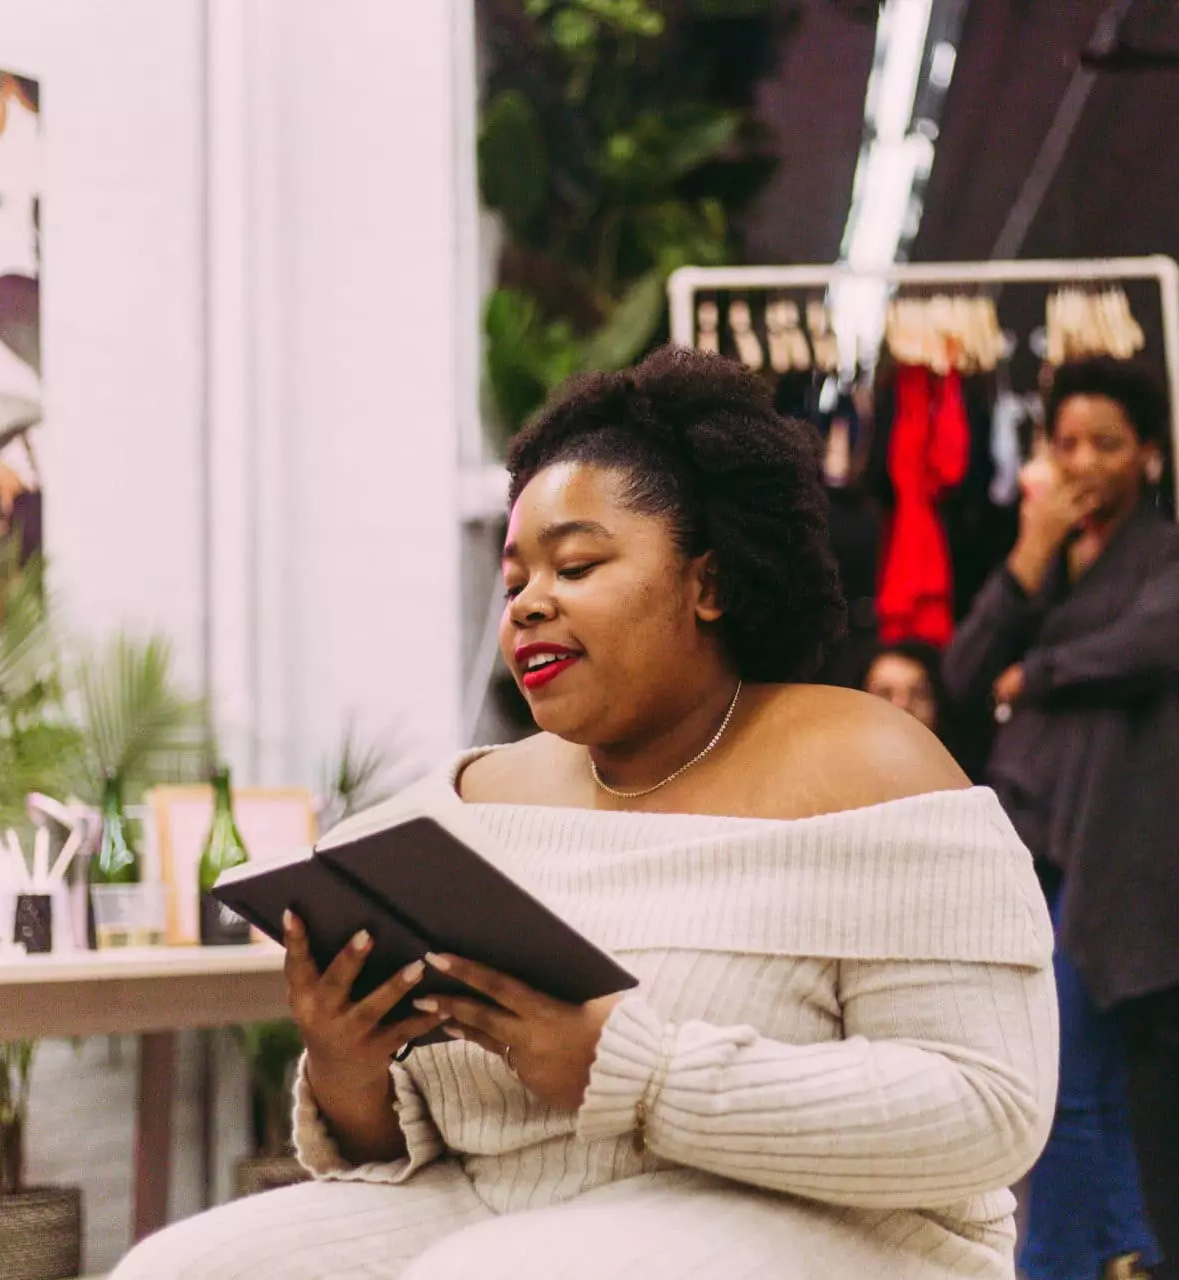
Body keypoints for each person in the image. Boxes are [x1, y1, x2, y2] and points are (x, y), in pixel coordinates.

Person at [114, 347, 1058, 1279]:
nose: (528, 606)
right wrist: (346, 1068)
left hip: (849, 1231)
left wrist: (638, 1071)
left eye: (575, 566)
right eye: (516, 579)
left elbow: (990, 1109)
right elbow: (401, 1149)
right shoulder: (463, 809)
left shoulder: (871, 765)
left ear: (710, 582)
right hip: (500, 1207)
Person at [944, 356, 1179, 1280]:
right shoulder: (1039, 555)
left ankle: (1064, 1264)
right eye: (1067, 442)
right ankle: (1124, 1255)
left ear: (1148, 454)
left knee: (1068, 1072)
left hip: (1127, 846)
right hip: (1037, 840)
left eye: (1107, 443)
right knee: (1072, 1075)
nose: (1083, 463)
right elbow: (960, 672)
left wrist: (1039, 676)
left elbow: (1156, 645)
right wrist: (1029, 559)